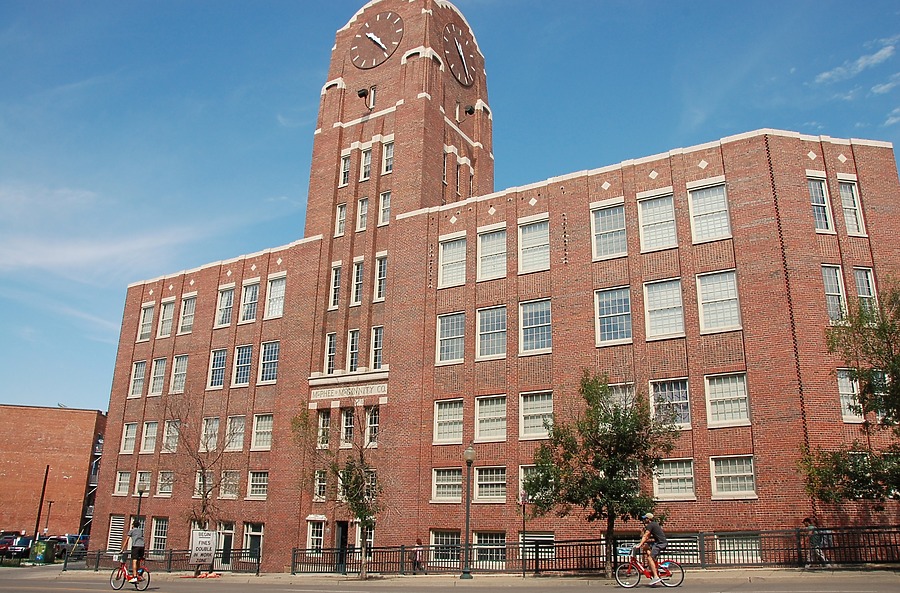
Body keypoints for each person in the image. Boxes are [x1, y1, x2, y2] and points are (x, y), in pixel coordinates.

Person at [636, 512, 667, 586]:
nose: (644, 520)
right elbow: (646, 536)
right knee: (646, 547)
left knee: (649, 558)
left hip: (660, 543)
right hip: (658, 543)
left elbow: (646, 536)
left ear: (648, 519)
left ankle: (656, 577)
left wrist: (639, 545)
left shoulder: (651, 525)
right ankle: (654, 565)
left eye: (645, 518)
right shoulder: (652, 525)